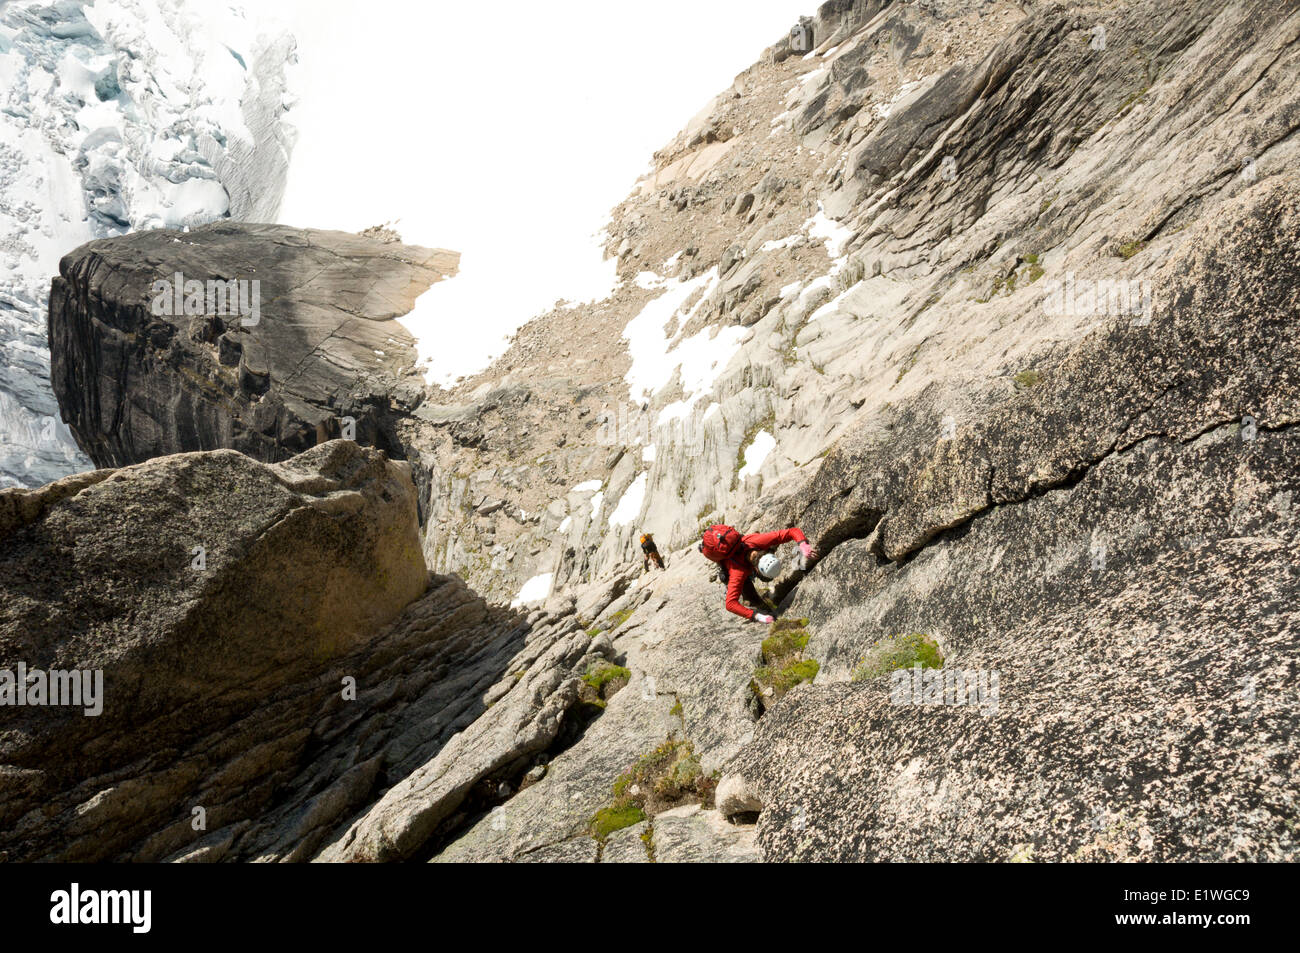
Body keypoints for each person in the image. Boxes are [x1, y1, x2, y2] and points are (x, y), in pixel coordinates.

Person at [698, 524, 818, 624]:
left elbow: (792, 531)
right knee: (749, 593)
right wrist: (756, 615)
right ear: (755, 569)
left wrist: (803, 545)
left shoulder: (756, 540)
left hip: (736, 546)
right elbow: (730, 603)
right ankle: (745, 595)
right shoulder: (737, 572)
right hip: (725, 557)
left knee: (772, 539)